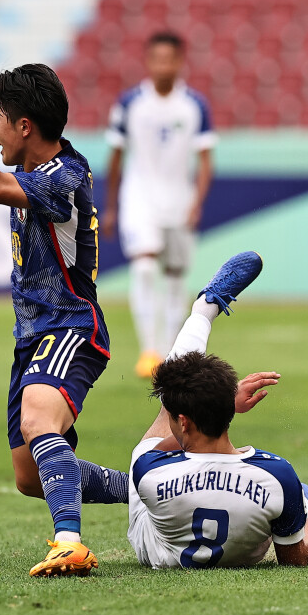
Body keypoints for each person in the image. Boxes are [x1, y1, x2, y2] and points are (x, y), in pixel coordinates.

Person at [0, 52, 128, 576]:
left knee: (39, 418)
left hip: (71, 325)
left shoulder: (61, 178)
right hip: (34, 333)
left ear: (27, 126)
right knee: (31, 477)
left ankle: (69, 542)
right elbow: (19, 150)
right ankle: (150, 489)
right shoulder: (40, 160)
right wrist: (5, 110)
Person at [113, 251, 308, 568]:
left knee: (173, 394)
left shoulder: (148, 468)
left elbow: (171, 428)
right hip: (253, 529)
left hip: (156, 547)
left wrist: (213, 403)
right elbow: (294, 559)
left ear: (183, 422)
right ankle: (204, 310)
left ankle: (203, 312)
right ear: (229, 413)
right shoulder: (277, 473)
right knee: (303, 499)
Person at [102, 31, 217, 379]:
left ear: (180, 62)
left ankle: (170, 353)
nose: (163, 66)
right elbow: (116, 155)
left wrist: (197, 202)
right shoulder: (130, 103)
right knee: (144, 264)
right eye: (157, 59)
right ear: (148, 61)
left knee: (175, 278)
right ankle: (149, 351)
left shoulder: (195, 105)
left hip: (178, 200)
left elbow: (206, 160)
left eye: (170, 59)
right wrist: (111, 206)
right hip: (139, 198)